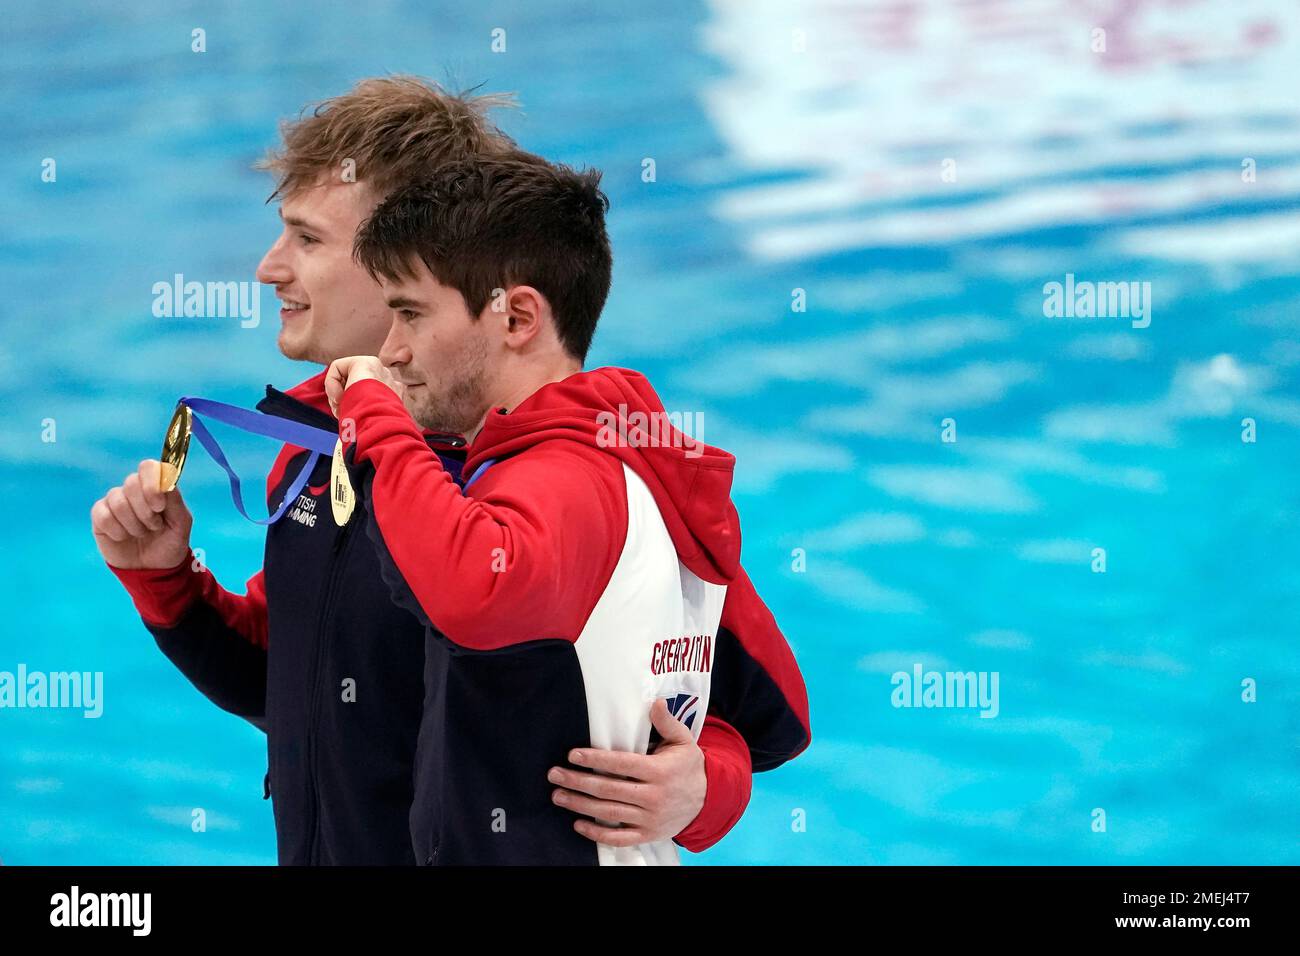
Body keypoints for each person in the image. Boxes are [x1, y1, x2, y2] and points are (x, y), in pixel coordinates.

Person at [90, 78, 759, 864]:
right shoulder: (313, 445)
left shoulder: (559, 474)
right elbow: (296, 685)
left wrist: (703, 789)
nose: (270, 268)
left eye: (307, 239)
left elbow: (735, 693)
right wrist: (167, 581)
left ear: (404, 255)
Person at [326, 153, 811, 864]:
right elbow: (773, 711)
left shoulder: (568, 481)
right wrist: (710, 781)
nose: (390, 350)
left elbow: (471, 590)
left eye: (410, 313)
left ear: (518, 316)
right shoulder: (638, 468)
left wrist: (374, 418)